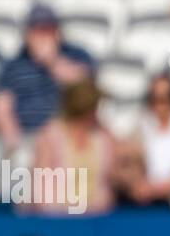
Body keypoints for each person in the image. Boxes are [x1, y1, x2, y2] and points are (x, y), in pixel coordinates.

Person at [0, 3, 95, 155]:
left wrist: (52, 61)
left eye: (48, 30)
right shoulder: (13, 65)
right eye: (38, 31)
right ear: (27, 34)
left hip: (68, 137)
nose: (44, 37)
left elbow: (86, 88)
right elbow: (2, 106)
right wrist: (15, 142)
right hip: (28, 139)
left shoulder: (76, 55)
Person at [29, 78, 118, 215]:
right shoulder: (50, 136)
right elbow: (41, 190)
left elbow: (110, 181)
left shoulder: (103, 136)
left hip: (96, 219)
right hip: (57, 219)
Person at [116, 73, 170, 211]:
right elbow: (124, 163)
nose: (159, 105)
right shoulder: (140, 127)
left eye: (165, 99)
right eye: (154, 99)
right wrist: (137, 185)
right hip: (147, 204)